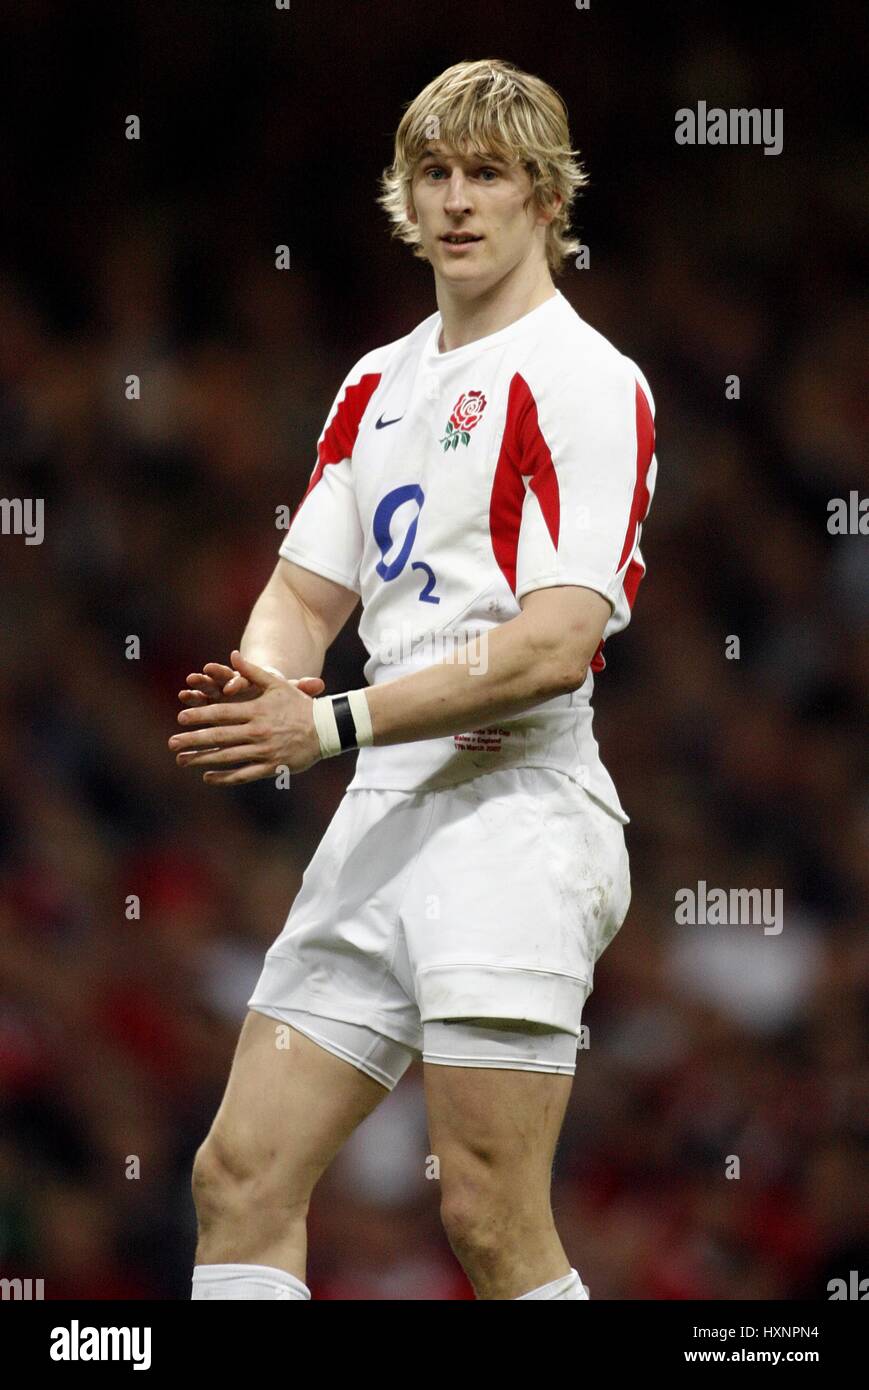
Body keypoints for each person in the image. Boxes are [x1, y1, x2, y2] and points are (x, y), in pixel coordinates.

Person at [170, 57, 657, 1301]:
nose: (455, 200)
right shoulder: (376, 383)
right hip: (385, 806)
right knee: (239, 1176)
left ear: (545, 198)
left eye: (487, 174)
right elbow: (304, 595)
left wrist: (322, 720)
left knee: (489, 1216)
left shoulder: (586, 380)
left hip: (514, 813)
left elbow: (553, 647)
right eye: (432, 173)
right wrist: (260, 686)